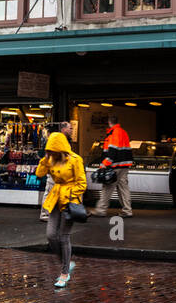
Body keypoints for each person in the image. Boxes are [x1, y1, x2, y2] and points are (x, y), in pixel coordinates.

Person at [37, 131, 87, 289]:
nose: (49, 153)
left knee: (63, 237)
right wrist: (45, 160)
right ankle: (66, 262)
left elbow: (82, 183)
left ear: (59, 148)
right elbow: (39, 174)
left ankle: (65, 273)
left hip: (69, 202)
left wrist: (70, 195)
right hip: (55, 199)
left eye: (51, 150)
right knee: (51, 235)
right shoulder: (50, 159)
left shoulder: (75, 160)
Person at [93, 115, 134, 217]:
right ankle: (127, 210)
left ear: (109, 122)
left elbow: (113, 150)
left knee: (107, 187)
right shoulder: (123, 132)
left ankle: (101, 210)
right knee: (123, 188)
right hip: (124, 166)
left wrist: (105, 163)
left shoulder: (114, 132)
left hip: (115, 166)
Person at [38, 121, 74, 221]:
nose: (72, 130)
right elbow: (44, 153)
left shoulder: (67, 140)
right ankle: (44, 214)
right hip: (54, 170)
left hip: (63, 171)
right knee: (49, 192)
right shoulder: (54, 138)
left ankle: (66, 212)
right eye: (70, 128)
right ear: (64, 129)